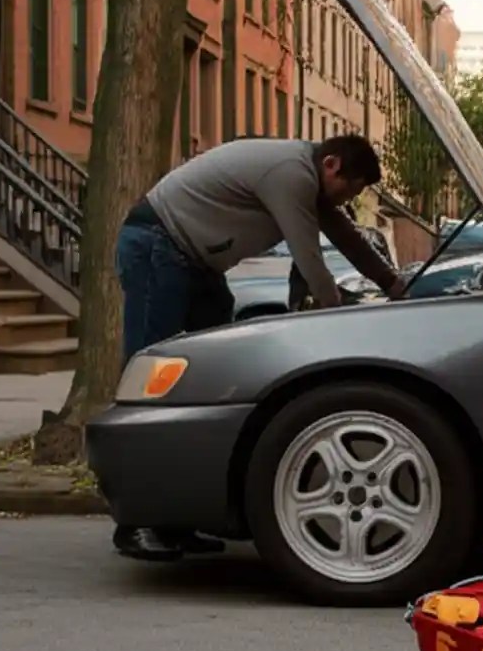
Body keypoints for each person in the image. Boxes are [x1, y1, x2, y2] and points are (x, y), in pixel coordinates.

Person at [112, 134, 408, 561]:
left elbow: (346, 236)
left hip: (194, 264)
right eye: (351, 187)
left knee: (203, 386)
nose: (349, 198)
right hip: (159, 245)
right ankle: (135, 523)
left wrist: (395, 285)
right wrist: (337, 312)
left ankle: (176, 518)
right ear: (331, 164)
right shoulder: (290, 173)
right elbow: (306, 251)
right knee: (151, 386)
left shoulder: (306, 175)